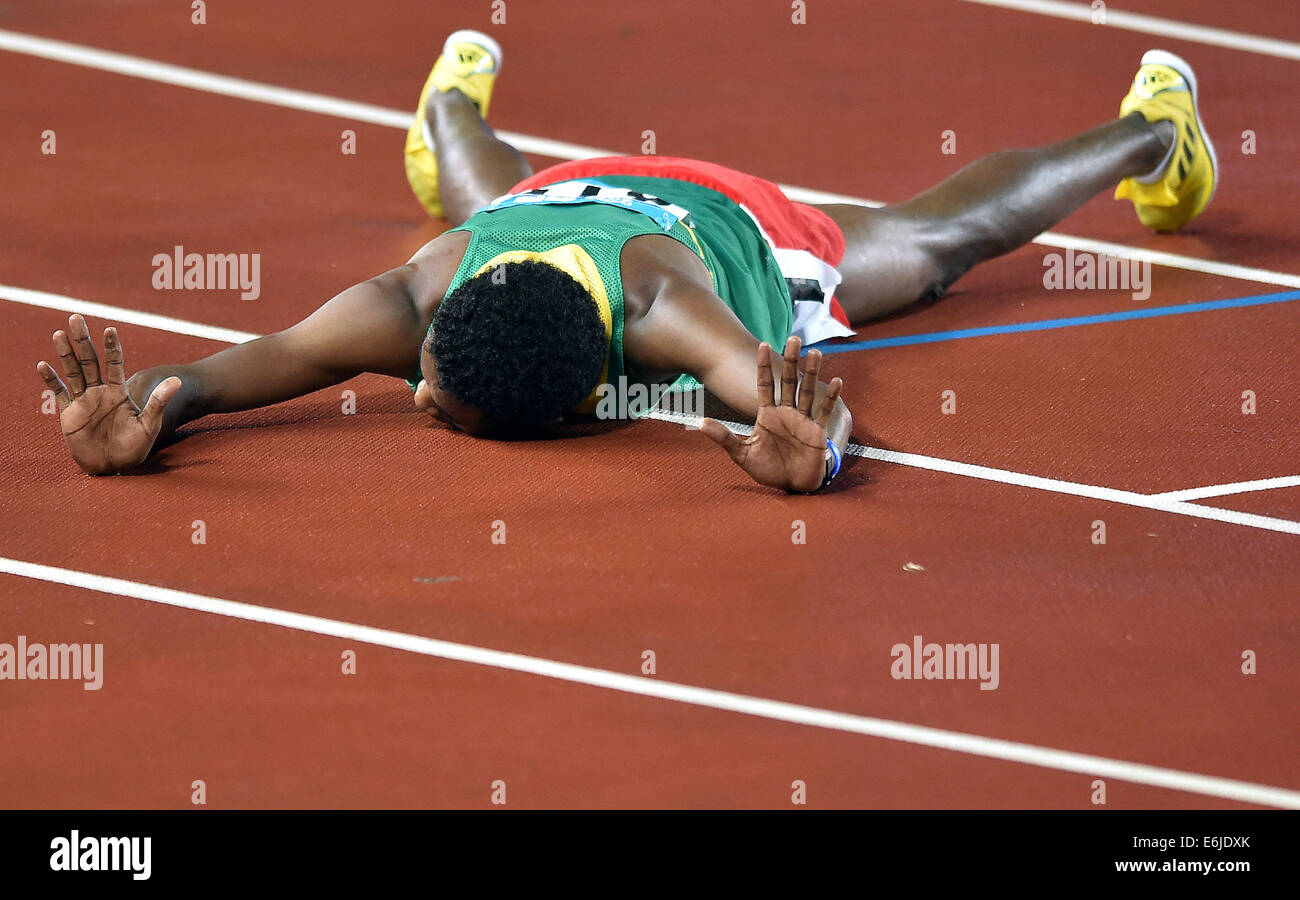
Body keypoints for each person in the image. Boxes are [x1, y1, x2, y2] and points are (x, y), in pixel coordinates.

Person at [36, 32, 1215, 492]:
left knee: (939, 239)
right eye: (432, 387)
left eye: (429, 407)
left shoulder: (662, 311)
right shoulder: (420, 298)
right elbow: (261, 358)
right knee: (482, 194)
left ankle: (1156, 124)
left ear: (590, 389)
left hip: (730, 219)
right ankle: (446, 102)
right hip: (552, 197)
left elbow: (786, 394)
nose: (419, 397)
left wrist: (817, 452)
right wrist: (154, 403)